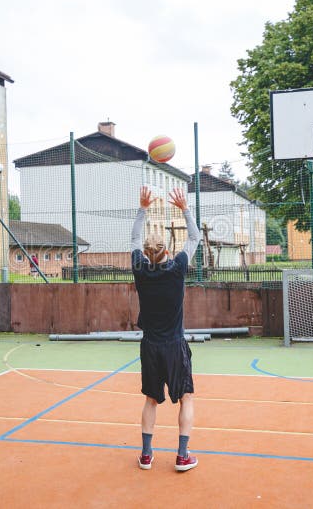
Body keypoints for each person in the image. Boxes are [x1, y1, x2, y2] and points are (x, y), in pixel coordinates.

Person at [131, 185, 201, 472]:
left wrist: (143, 207)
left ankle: (147, 455)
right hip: (174, 346)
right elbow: (195, 237)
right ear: (168, 251)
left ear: (147, 255)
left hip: (150, 346)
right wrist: (184, 208)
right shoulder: (178, 267)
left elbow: (135, 237)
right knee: (186, 398)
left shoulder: (139, 268)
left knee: (151, 399)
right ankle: (182, 456)